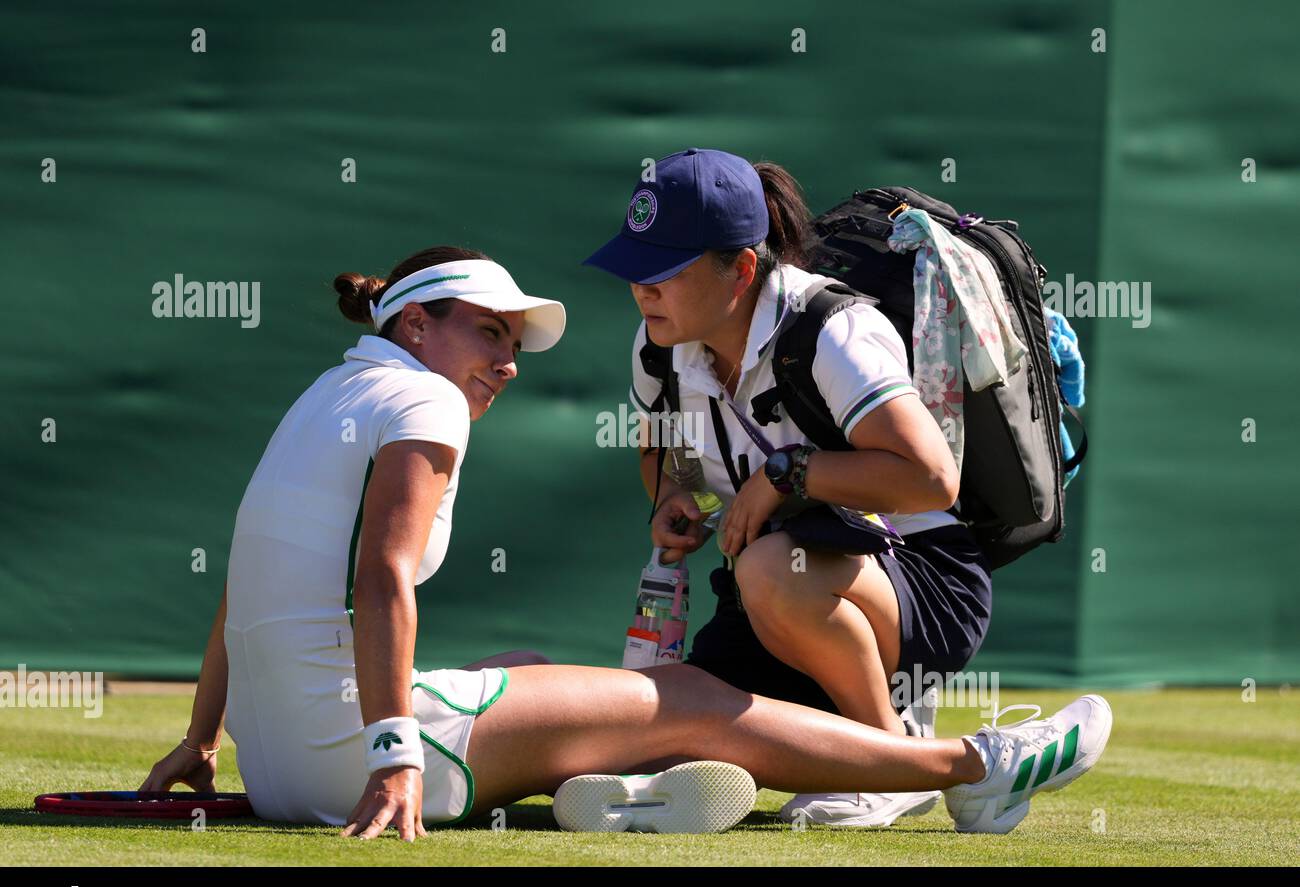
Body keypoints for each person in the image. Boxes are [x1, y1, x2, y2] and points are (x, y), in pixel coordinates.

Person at [141, 245, 1110, 839]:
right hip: (351, 756)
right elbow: (384, 573)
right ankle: (973, 767)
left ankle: (626, 785)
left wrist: (203, 735)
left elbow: (244, 584)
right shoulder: (424, 397)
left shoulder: (322, 393)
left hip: (277, 764)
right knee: (691, 697)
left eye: (514, 342)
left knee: (523, 668)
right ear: (413, 322)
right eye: (487, 333)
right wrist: (392, 754)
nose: (506, 363)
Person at [583, 148, 996, 828]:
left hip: (924, 582)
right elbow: (664, 456)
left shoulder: (835, 331)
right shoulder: (659, 341)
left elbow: (929, 478)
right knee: (681, 717)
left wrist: (787, 474)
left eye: (663, 272)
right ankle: (857, 723)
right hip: (770, 596)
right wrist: (675, 497)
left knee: (773, 566)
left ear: (741, 269)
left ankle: (892, 761)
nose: (641, 289)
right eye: (635, 269)